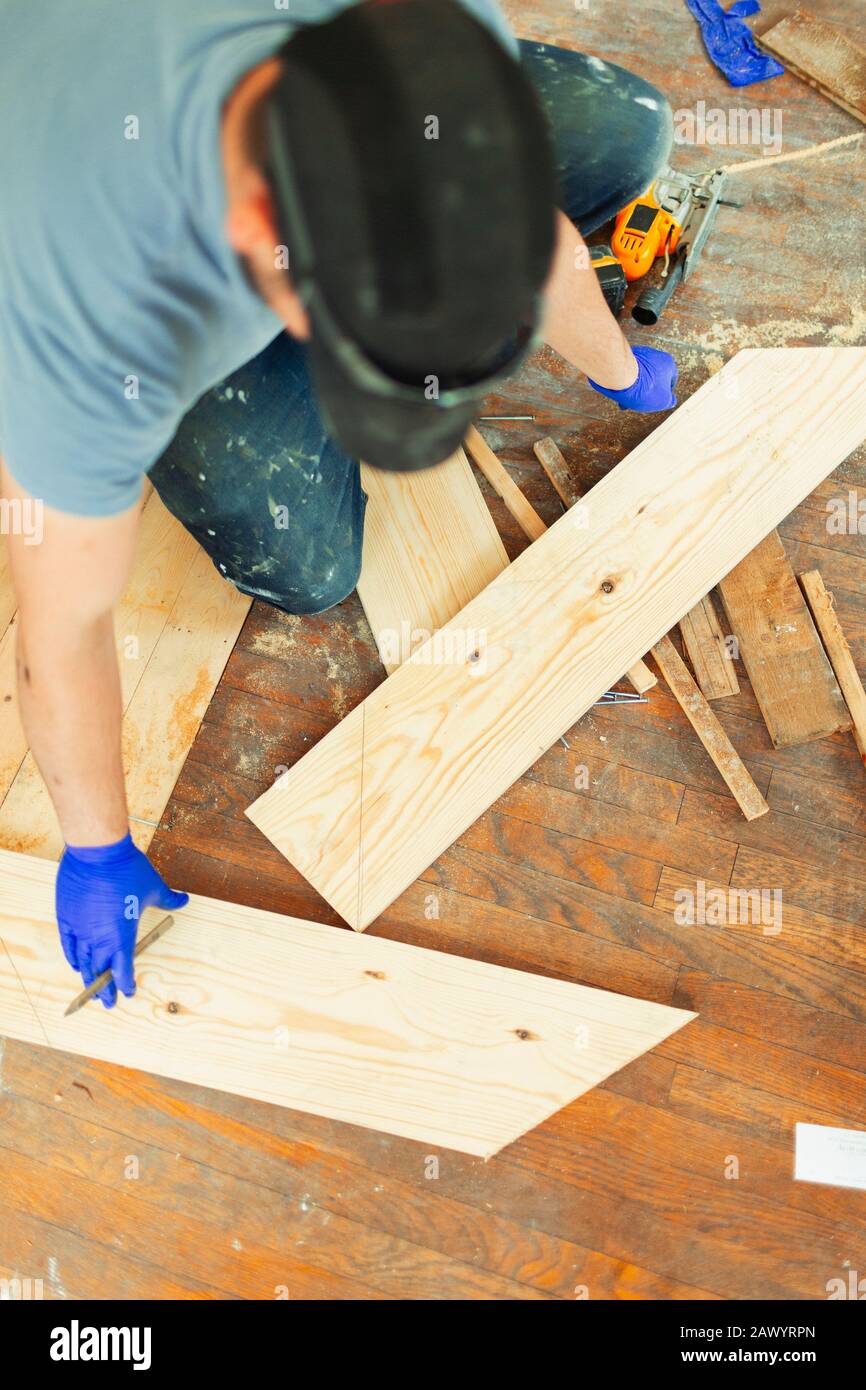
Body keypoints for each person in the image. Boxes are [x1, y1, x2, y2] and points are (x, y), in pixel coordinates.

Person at [0, 0, 676, 1006]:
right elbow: (62, 620)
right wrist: (97, 847)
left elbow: (531, 242)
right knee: (306, 565)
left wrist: (619, 372)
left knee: (625, 131)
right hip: (73, 167)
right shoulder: (88, 313)